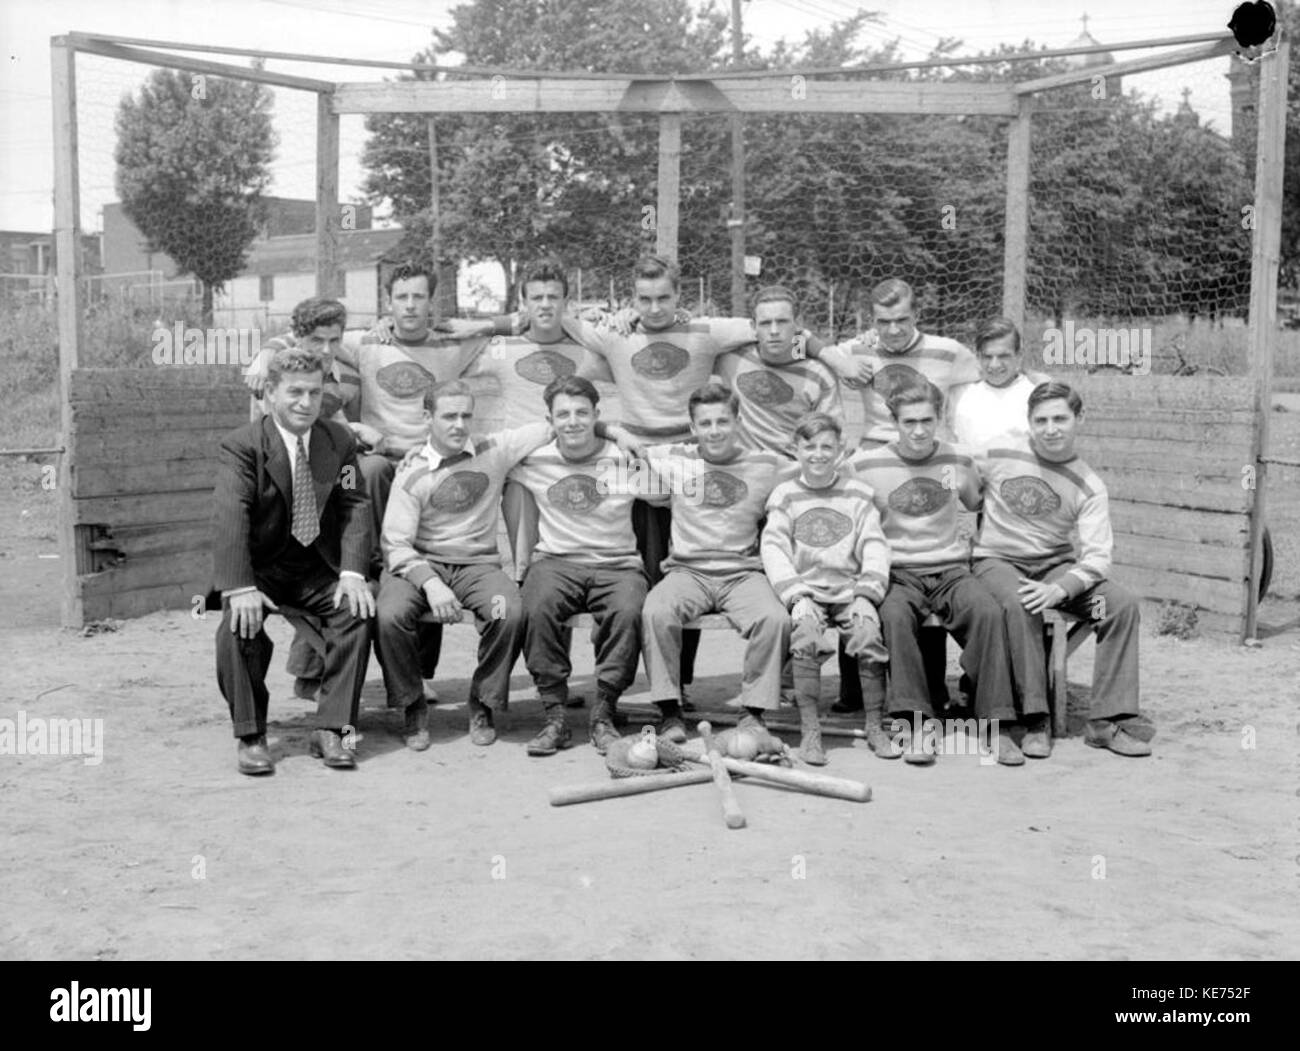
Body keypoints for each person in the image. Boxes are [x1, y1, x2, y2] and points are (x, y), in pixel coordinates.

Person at [561, 256, 868, 704]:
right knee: (645, 585)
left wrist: (833, 355)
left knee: (740, 571)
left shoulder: (708, 332)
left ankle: (713, 685)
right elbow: (563, 323)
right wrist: (605, 317)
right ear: (632, 298)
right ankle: (623, 687)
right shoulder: (619, 334)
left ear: (679, 296)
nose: (654, 307)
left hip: (711, 468)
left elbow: (776, 329)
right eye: (644, 299)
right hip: (647, 469)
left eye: (664, 297)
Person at [208, 346, 375, 776]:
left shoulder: (338, 442)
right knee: (238, 627)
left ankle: (334, 729)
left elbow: (354, 503)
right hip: (261, 568)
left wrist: (352, 573)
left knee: (356, 611)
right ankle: (251, 735)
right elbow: (231, 514)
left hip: (316, 566)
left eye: (314, 393)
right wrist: (240, 586)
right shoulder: (242, 447)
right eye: (295, 392)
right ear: (270, 393)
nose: (306, 403)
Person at [971, 381, 1151, 758]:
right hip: (997, 561)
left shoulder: (1088, 484)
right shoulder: (998, 450)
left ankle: (1105, 722)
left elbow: (1098, 556)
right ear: (1029, 422)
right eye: (1041, 420)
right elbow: (954, 467)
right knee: (1023, 601)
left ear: (1079, 419)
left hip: (1054, 567)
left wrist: (1062, 588)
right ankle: (1036, 719)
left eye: (1060, 419)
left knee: (1119, 606)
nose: (1050, 429)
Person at [828, 277, 982, 715]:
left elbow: (991, 375)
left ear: (917, 314)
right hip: (874, 462)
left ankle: (931, 689)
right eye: (882, 322)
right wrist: (840, 358)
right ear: (871, 321)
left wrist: (1035, 379)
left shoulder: (948, 352)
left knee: (920, 558)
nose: (893, 330)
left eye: (901, 319)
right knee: (861, 562)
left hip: (926, 458)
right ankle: (856, 687)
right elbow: (807, 346)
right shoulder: (859, 349)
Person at [848, 381, 1019, 765]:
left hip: (950, 568)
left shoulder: (957, 460)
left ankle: (996, 725)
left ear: (939, 418)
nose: (919, 430)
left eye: (927, 421)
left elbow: (977, 501)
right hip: (897, 571)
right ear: (894, 422)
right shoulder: (865, 465)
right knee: (894, 616)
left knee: (988, 612)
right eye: (909, 422)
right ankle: (916, 726)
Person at [377, 380, 551, 751]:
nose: (459, 425)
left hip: (477, 566)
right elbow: (395, 544)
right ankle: (412, 705)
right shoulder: (411, 472)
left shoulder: (494, 449)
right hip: (421, 564)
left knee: (508, 611)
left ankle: (483, 702)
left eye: (466, 416)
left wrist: (612, 430)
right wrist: (430, 583)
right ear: (428, 418)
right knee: (390, 615)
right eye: (449, 416)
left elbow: (557, 425)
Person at [507, 376, 650, 757]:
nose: (573, 422)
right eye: (563, 414)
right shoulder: (533, 459)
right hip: (556, 561)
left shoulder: (625, 458)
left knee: (628, 611)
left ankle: (604, 712)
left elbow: (676, 483)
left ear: (597, 415)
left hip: (617, 564)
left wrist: (619, 435)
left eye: (582, 413)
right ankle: (554, 715)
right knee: (535, 607)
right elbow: (481, 455)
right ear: (549, 420)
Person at [640, 383, 790, 741]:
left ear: (738, 422)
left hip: (742, 573)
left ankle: (753, 713)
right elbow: (630, 451)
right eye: (705, 423)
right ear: (693, 428)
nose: (714, 430)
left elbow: (816, 468)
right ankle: (670, 712)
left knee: (775, 619)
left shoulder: (766, 464)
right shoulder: (674, 458)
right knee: (655, 611)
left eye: (723, 421)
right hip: (687, 571)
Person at [761, 413, 890, 765]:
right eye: (810, 447)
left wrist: (866, 595)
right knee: (805, 637)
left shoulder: (858, 494)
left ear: (840, 451)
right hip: (807, 592)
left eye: (826, 447)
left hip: (849, 590)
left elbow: (875, 545)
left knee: (867, 633)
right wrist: (797, 596)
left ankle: (875, 725)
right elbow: (773, 549)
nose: (818, 454)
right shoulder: (785, 495)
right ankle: (811, 730)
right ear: (796, 450)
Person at [714, 285, 844, 462]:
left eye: (782, 322)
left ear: (798, 323)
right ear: (753, 327)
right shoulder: (731, 359)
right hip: (742, 466)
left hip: (794, 469)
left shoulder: (819, 376)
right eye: (765, 323)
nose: (774, 331)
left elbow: (832, 440)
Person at [951, 316, 1051, 454]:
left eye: (1003, 356)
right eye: (987, 357)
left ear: (1019, 355)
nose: (995, 365)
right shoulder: (967, 398)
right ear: (978, 357)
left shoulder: (1035, 395)